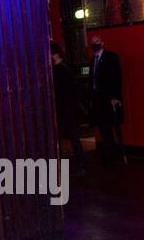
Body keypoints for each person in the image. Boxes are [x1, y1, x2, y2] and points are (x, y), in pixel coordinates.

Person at [88, 36, 124, 165]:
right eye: (92, 43)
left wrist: (115, 97)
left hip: (108, 98)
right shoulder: (93, 60)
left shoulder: (111, 57)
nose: (94, 44)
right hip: (98, 100)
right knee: (103, 127)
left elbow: (117, 78)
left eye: (97, 42)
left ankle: (114, 154)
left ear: (102, 43)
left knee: (110, 126)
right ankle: (109, 153)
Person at [51, 42, 85, 174]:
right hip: (69, 109)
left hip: (63, 109)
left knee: (64, 138)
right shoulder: (66, 68)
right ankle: (80, 164)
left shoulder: (57, 71)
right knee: (74, 138)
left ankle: (65, 166)